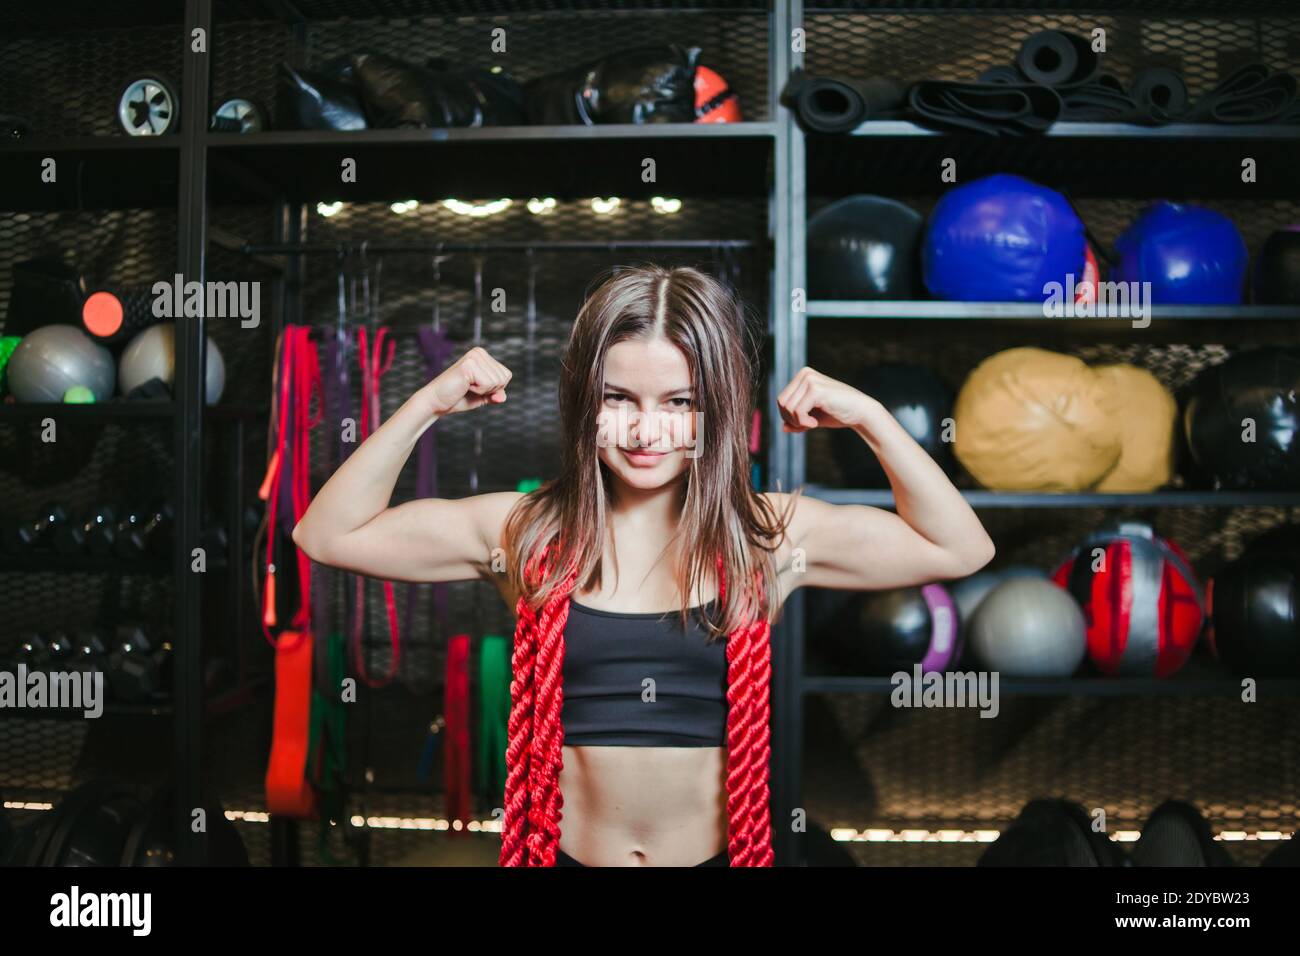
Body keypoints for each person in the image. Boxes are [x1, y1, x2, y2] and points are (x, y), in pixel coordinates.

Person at [292, 264, 995, 867]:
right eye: (618, 398)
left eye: (679, 402)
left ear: (715, 410)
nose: (646, 429)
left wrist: (872, 416)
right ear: (584, 404)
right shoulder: (528, 533)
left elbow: (958, 547)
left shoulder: (766, 537)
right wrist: (426, 404)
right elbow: (327, 533)